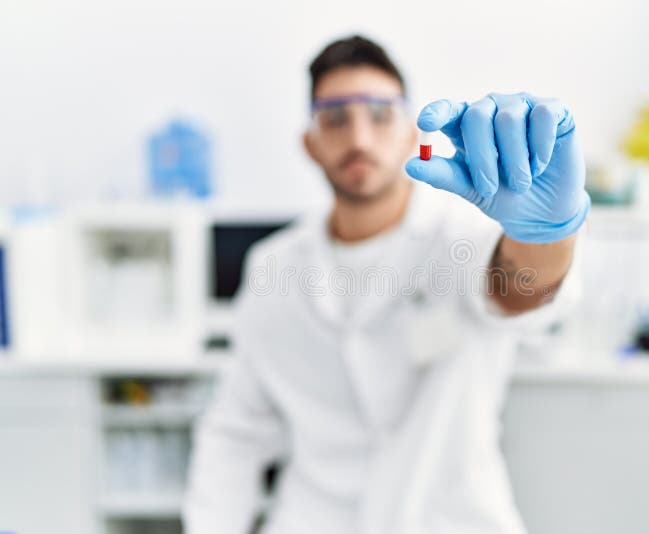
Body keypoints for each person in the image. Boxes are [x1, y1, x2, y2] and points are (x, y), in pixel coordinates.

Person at [183, 34, 590, 534]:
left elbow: (520, 290)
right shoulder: (272, 267)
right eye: (335, 119)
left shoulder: (460, 238)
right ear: (310, 144)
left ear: (407, 132)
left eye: (380, 115)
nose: (358, 138)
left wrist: (546, 234)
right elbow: (237, 432)